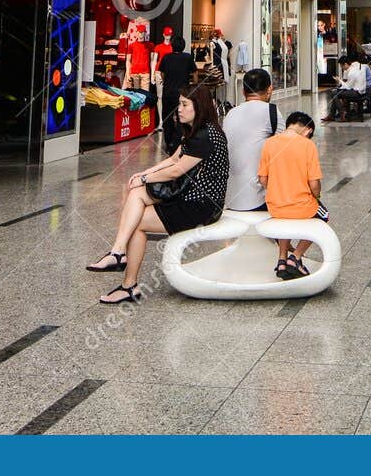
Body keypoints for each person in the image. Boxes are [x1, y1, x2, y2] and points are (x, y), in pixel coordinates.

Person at [86, 83, 227, 305]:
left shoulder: (205, 136)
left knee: (137, 221)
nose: (178, 109)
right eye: (179, 104)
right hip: (188, 195)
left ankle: (127, 279)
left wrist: (144, 179)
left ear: (198, 107)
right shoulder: (197, 131)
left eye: (184, 104)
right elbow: (172, 159)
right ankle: (119, 255)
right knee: (136, 196)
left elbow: (176, 170)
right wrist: (144, 173)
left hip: (201, 206)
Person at [257, 111, 324, 279]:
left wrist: (278, 189)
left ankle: (281, 260)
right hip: (301, 208)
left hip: (275, 208)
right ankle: (296, 257)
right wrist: (317, 196)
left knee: (284, 223)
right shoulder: (308, 146)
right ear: (308, 131)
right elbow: (314, 184)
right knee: (324, 216)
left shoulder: (269, 144)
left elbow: (262, 179)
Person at [222, 67, 277, 212]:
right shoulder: (271, 111)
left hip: (229, 198)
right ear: (270, 89)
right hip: (258, 200)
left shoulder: (230, 114)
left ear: (243, 92)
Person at [157, 40, 197, 150]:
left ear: (172, 46)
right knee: (181, 118)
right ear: (183, 47)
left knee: (167, 118)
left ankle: (168, 142)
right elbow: (195, 73)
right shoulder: (188, 57)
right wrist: (194, 86)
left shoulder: (166, 57)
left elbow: (162, 73)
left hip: (168, 92)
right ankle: (177, 142)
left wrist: (168, 81)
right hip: (182, 94)